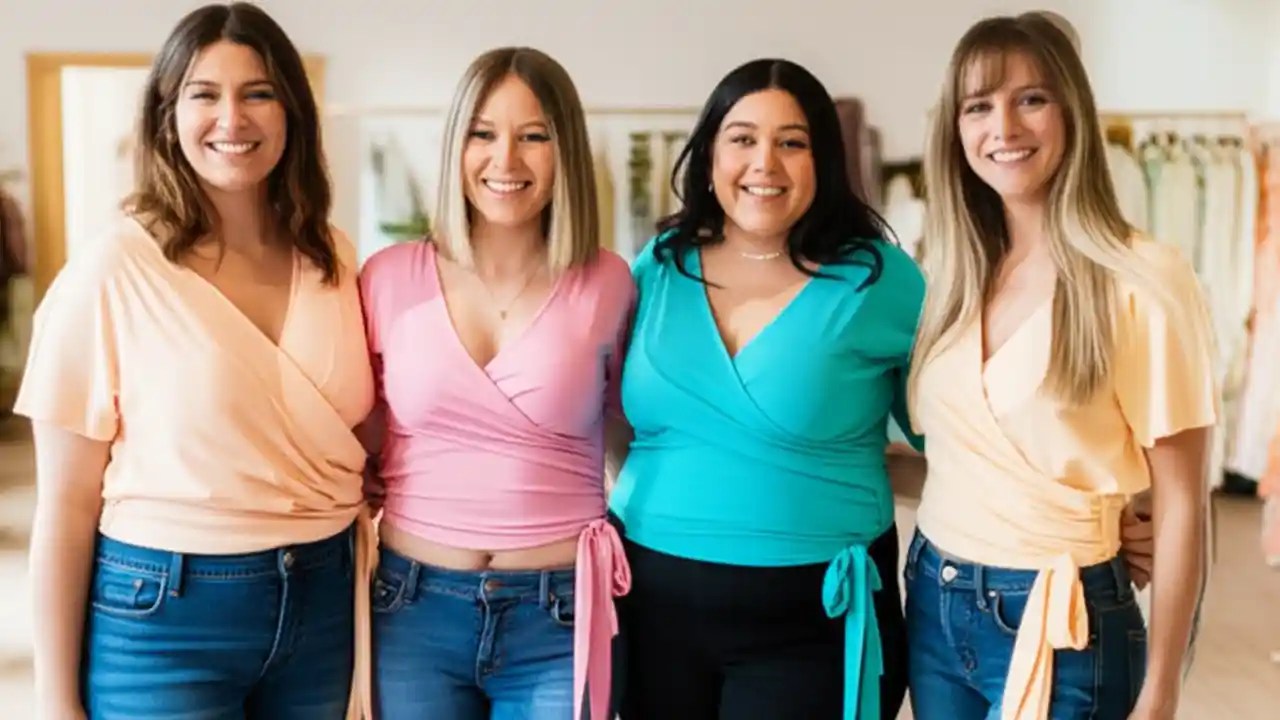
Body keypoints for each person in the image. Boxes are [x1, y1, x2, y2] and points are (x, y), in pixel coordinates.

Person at [13, 4, 376, 719]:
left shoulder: (332, 255)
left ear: (293, 111)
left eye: (259, 92)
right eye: (204, 94)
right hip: (166, 615)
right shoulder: (114, 269)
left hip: (325, 603)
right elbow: (66, 503)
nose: (232, 118)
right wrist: (56, 702)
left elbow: (352, 430)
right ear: (166, 115)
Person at [904, 13, 1216, 720]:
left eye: (1031, 99)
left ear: (1073, 109)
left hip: (1065, 616)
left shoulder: (1142, 277)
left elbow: (1181, 503)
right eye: (979, 106)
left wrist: (1161, 693)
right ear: (955, 131)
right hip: (932, 596)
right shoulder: (955, 273)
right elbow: (966, 459)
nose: (1003, 127)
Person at [607, 58, 923, 720]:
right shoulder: (659, 265)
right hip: (649, 607)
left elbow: (959, 438)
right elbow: (613, 422)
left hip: (809, 624)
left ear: (824, 159)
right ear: (711, 152)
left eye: (792, 142)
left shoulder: (880, 280)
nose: (765, 163)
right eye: (743, 138)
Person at [358, 47, 634, 720]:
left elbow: (631, 443)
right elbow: (357, 441)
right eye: (483, 133)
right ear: (456, 146)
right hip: (411, 607)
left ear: (565, 150)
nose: (505, 160)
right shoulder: (386, 278)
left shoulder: (610, 282)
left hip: (559, 612)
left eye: (533, 136)